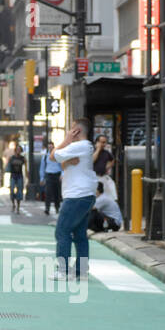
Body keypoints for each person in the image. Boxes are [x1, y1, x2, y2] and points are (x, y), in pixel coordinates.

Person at [49, 118, 97, 279]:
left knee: (62, 231)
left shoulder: (78, 146)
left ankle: (63, 270)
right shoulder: (86, 146)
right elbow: (63, 163)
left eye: (72, 129)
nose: (69, 131)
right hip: (86, 194)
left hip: (76, 195)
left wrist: (66, 140)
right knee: (79, 234)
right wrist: (67, 160)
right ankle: (80, 271)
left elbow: (53, 156)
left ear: (76, 130)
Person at [40, 144, 62, 216]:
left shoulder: (58, 155)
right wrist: (42, 178)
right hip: (49, 175)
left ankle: (57, 207)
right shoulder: (45, 156)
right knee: (48, 192)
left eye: (52, 147)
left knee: (57, 193)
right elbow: (42, 168)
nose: (50, 148)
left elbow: (62, 166)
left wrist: (62, 174)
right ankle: (47, 208)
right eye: (49, 147)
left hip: (57, 175)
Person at [7, 143, 27, 214]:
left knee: (19, 192)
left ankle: (18, 206)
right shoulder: (11, 158)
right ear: (15, 150)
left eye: (19, 150)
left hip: (19, 176)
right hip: (13, 176)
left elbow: (26, 168)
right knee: (12, 190)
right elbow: (8, 167)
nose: (18, 151)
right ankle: (13, 204)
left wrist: (27, 176)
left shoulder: (23, 159)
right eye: (17, 150)